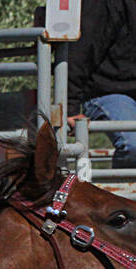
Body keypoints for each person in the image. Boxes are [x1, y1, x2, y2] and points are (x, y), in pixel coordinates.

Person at [65, 0, 136, 168]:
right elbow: (83, 49)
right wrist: (69, 106)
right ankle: (122, 192)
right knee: (133, 146)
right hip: (109, 90)